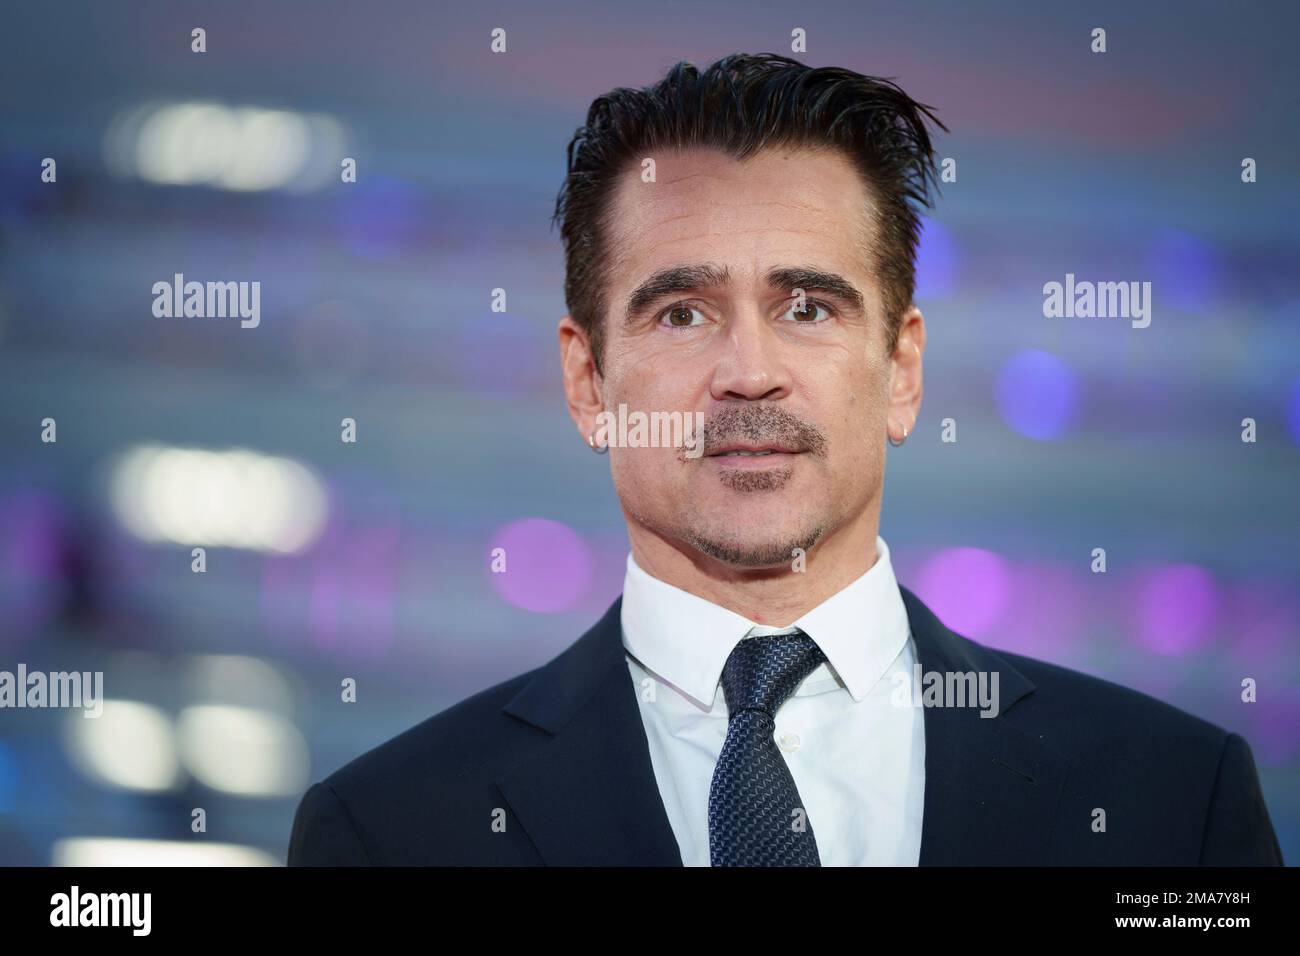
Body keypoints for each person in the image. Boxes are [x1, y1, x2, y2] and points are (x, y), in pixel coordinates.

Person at [288, 53, 1283, 866]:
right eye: (682, 312)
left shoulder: (1168, 801)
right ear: (589, 384)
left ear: (900, 369)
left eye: (807, 307)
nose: (748, 372)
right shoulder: (391, 830)